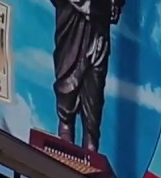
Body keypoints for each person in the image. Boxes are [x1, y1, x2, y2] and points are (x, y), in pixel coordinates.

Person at [52, 0, 124, 154]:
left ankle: (91, 143)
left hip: (100, 19)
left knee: (95, 85)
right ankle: (66, 129)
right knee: (69, 69)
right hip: (72, 14)